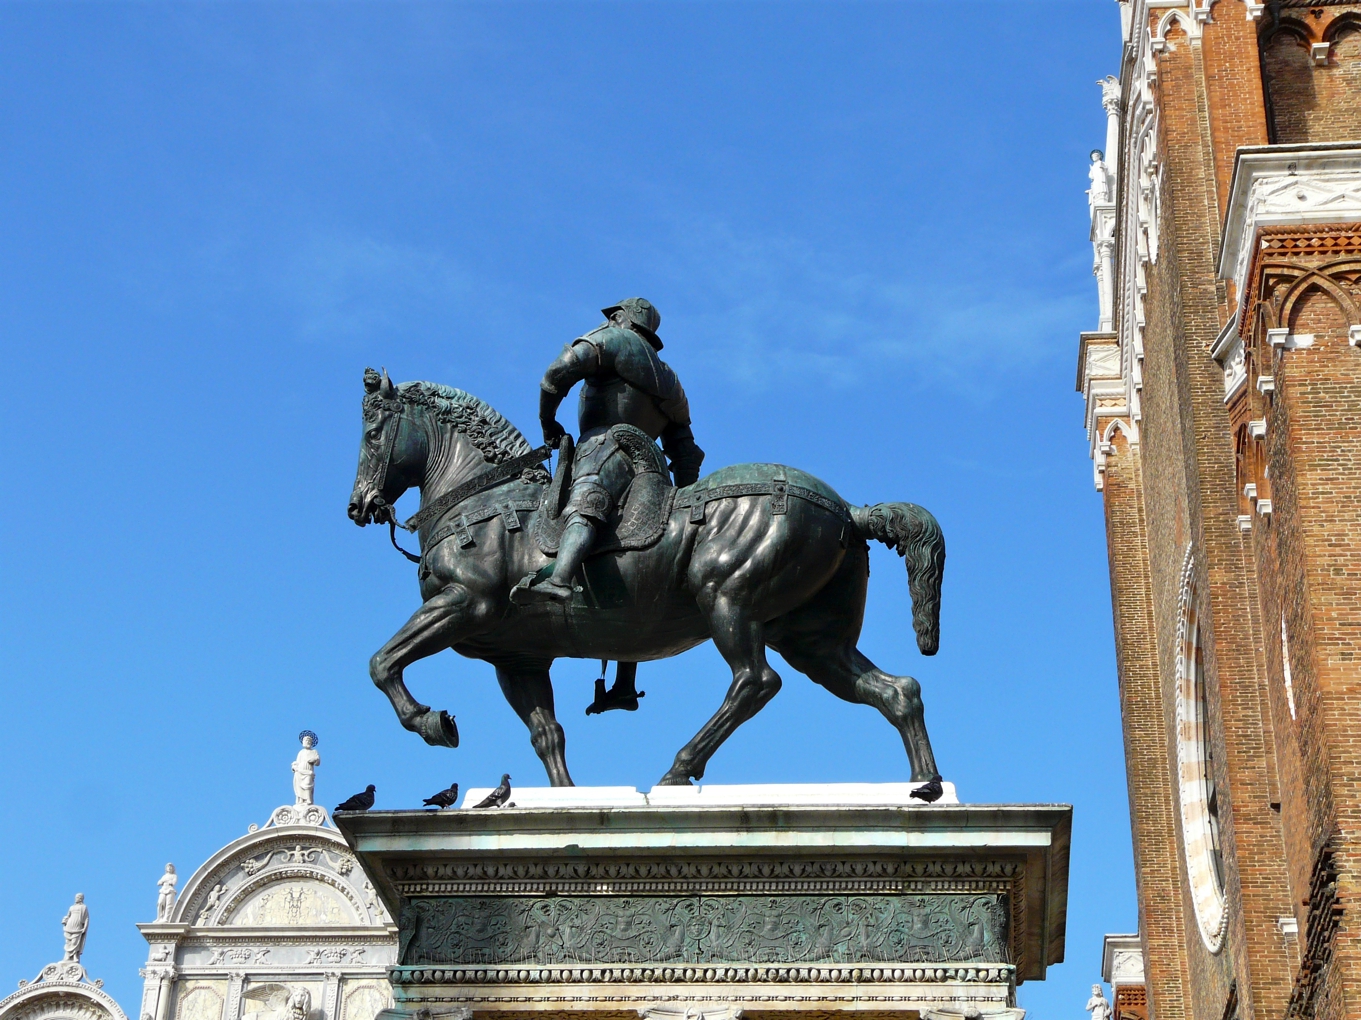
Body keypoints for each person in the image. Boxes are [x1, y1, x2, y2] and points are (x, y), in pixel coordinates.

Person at [530, 297, 704, 603]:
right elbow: (686, 452)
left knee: (587, 500)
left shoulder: (613, 338)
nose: (608, 322)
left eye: (613, 317)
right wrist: (686, 501)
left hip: (606, 445)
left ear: (621, 318)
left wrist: (548, 422)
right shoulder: (672, 382)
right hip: (652, 469)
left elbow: (558, 372)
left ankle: (560, 578)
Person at [292, 731, 320, 806]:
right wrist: (294, 767)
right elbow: (297, 762)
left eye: (309, 741)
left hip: (308, 771)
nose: (307, 742)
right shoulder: (301, 752)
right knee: (299, 786)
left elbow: (318, 763)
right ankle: (301, 800)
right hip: (300, 771)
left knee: (307, 784)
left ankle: (308, 800)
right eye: (305, 740)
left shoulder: (314, 751)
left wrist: (314, 760)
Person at [62, 894, 89, 962]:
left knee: (75, 942)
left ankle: (74, 956)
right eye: (76, 897)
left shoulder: (84, 907)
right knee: (68, 942)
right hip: (70, 925)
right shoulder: (71, 907)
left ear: (81, 898)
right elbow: (68, 916)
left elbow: (86, 918)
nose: (76, 898)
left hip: (78, 926)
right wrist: (65, 921)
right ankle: (67, 956)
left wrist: (85, 927)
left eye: (78, 897)